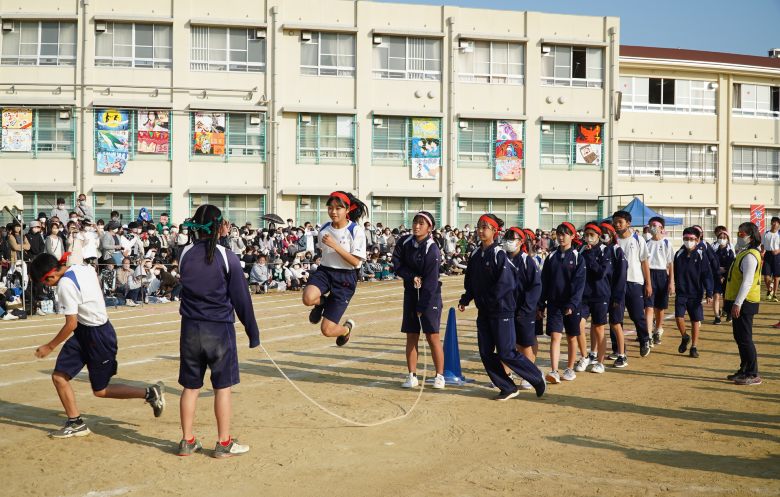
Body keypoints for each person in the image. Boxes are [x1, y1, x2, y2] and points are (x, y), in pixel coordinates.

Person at [29, 253, 165, 438]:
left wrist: (50, 346)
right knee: (59, 377)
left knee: (100, 390)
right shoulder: (81, 267)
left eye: (45, 282)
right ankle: (75, 422)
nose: (46, 285)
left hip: (98, 335)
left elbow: (71, 324)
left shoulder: (65, 285)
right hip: (85, 331)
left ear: (51, 276)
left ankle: (149, 393)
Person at [177, 204, 260, 458]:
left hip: (190, 328)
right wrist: (253, 332)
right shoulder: (227, 256)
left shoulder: (184, 254)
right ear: (219, 226)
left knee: (190, 387)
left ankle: (187, 440)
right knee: (222, 387)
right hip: (219, 329)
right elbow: (241, 299)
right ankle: (223, 443)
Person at [458, 214, 545, 400]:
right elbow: (471, 281)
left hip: (502, 310)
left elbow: (506, 284)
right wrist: (466, 298)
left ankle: (536, 376)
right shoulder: (475, 254)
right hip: (485, 311)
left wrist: (490, 300)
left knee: (506, 352)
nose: (481, 231)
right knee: (485, 352)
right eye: (479, 227)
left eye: (485, 227)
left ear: (494, 231)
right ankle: (507, 387)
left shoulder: (498, 254)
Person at [302, 191, 367, 346]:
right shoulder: (324, 228)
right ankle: (321, 302)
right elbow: (323, 252)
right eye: (330, 208)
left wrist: (335, 246)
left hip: (346, 278)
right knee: (308, 298)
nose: (333, 211)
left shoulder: (355, 231)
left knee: (327, 330)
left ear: (347, 210)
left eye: (338, 208)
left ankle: (346, 330)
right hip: (325, 271)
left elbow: (355, 262)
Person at [392, 211, 446, 390]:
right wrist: (411, 276)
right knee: (411, 335)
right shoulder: (405, 242)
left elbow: (431, 281)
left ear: (429, 228)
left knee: (432, 336)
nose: (416, 226)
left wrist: (422, 306)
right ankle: (412, 375)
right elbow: (397, 264)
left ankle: (439, 375)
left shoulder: (432, 249)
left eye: (421, 223)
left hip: (430, 296)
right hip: (410, 292)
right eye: (415, 222)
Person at [538, 222, 586, 384]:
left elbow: (579, 284)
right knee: (555, 336)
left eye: (565, 233)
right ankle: (554, 370)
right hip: (554, 304)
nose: (561, 237)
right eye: (559, 233)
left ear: (573, 236)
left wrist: (572, 304)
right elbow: (544, 282)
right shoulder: (552, 256)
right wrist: (541, 304)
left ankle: (570, 368)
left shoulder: (579, 257)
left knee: (572, 337)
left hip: (572, 305)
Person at [502, 227, 542, 389]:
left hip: (524, 310)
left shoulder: (527, 260)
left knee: (525, 343)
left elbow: (535, 286)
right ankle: (505, 374)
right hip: (505, 309)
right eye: (506, 238)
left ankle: (529, 375)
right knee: (505, 343)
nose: (508, 242)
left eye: (512, 239)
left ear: (521, 242)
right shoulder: (502, 258)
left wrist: (527, 308)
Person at [725, 222, 763, 385]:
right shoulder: (744, 252)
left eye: (742, 234)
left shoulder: (750, 255)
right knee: (739, 336)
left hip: (745, 301)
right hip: (739, 300)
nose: (739, 236)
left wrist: (738, 303)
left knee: (745, 337)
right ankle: (744, 368)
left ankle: (753, 373)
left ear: (750, 236)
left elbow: (747, 281)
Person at [612, 211, 653, 357]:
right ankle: (618, 349)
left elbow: (644, 262)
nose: (617, 225)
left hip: (634, 282)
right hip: (616, 284)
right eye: (615, 222)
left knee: (637, 315)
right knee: (616, 317)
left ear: (628, 223)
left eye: (620, 222)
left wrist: (648, 284)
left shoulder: (638, 239)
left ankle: (644, 340)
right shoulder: (613, 241)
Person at [577, 222, 613, 374]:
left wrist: (590, 255)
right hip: (583, 295)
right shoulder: (581, 249)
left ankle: (600, 361)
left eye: (592, 235)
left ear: (599, 236)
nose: (588, 238)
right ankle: (585, 356)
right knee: (578, 325)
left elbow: (600, 273)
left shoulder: (606, 250)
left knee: (599, 328)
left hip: (600, 294)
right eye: (586, 235)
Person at [673, 227, 714, 359]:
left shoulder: (701, 254)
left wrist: (709, 292)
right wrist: (672, 285)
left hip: (695, 293)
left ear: (697, 240)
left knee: (695, 320)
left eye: (691, 239)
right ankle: (685, 336)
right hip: (681, 292)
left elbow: (706, 274)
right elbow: (674, 272)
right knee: (679, 317)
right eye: (686, 239)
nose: (688, 241)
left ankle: (694, 346)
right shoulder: (679, 254)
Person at [600, 221, 628, 368]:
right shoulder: (602, 250)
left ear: (612, 234)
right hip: (604, 293)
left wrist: (617, 296)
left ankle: (622, 355)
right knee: (608, 324)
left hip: (616, 294)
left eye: (605, 232)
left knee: (616, 323)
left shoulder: (617, 250)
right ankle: (613, 351)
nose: (603, 235)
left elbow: (621, 276)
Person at [645, 216, 675, 345]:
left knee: (660, 307)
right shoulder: (646, 243)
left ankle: (658, 329)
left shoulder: (667, 243)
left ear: (661, 228)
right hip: (649, 274)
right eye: (650, 225)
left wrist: (671, 282)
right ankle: (648, 335)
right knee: (648, 307)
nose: (652, 227)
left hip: (662, 275)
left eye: (654, 225)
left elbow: (670, 264)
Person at [713, 231, 736, 325]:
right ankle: (717, 317)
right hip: (716, 277)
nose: (722, 239)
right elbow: (712, 264)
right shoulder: (714, 251)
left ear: (727, 240)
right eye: (720, 237)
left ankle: (728, 313)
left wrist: (724, 273)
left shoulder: (730, 251)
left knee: (727, 297)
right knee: (716, 296)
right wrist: (719, 274)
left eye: (724, 238)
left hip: (727, 277)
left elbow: (731, 265)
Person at [761, 216, 780, 301]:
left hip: (777, 255)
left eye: (776, 222)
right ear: (771, 223)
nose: (774, 224)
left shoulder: (779, 234)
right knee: (766, 276)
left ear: (779, 224)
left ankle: (774, 294)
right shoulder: (766, 233)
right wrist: (762, 251)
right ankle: (770, 289)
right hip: (768, 255)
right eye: (773, 222)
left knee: (776, 277)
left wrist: (778, 250)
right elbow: (762, 244)